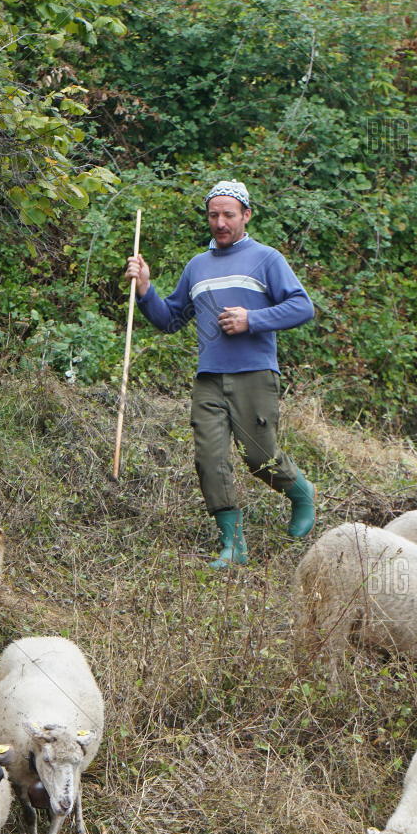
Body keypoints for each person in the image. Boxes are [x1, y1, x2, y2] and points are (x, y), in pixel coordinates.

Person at [124, 180, 316, 567]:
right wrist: (145, 289)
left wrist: (252, 319)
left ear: (246, 216)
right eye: (214, 215)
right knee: (209, 459)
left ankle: (301, 493)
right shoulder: (197, 266)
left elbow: (302, 307)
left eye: (229, 214)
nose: (220, 222)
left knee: (258, 457)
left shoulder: (267, 259)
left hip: (254, 373)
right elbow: (170, 319)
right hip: (209, 377)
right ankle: (233, 545)